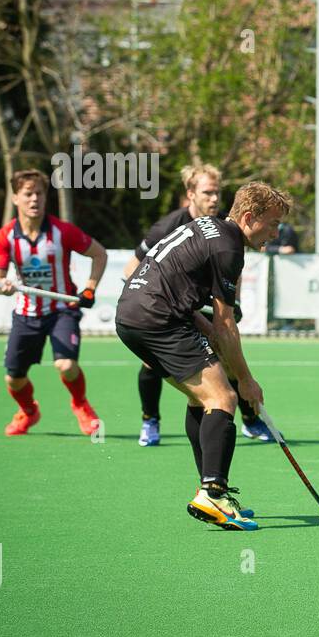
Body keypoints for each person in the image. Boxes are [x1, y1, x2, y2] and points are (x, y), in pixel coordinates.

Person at [115, 181, 290, 531]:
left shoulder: (206, 227)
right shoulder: (230, 249)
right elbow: (226, 325)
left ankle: (212, 491)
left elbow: (184, 296)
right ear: (248, 217)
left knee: (201, 399)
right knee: (223, 397)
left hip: (131, 316)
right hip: (157, 318)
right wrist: (246, 381)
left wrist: (210, 336)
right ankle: (213, 492)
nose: (274, 233)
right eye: (271, 224)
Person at [123, 164, 274, 446]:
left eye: (217, 192)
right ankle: (150, 420)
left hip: (192, 305)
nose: (214, 199)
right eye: (207, 192)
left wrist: (231, 302)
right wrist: (151, 297)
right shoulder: (169, 225)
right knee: (166, 367)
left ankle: (250, 421)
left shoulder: (222, 226)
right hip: (163, 306)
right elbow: (132, 267)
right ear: (190, 194)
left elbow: (228, 269)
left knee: (221, 361)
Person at [0, 169, 107, 437]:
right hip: (26, 313)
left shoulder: (62, 231)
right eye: (28, 194)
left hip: (62, 311)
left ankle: (81, 404)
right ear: (16, 198)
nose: (34, 200)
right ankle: (29, 412)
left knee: (66, 364)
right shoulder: (5, 236)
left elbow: (99, 254)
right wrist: (2, 287)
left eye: (39, 194)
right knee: (14, 378)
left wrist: (89, 288)